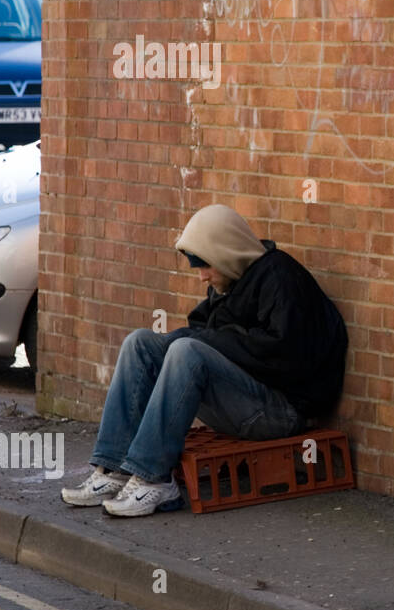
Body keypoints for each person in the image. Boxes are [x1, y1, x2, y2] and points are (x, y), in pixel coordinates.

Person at [61, 203, 348, 517]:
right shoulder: (233, 279)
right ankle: (114, 471)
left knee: (188, 351)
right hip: (246, 398)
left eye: (205, 266)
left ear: (225, 253)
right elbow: (205, 330)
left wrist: (206, 342)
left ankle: (155, 481)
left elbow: (284, 355)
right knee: (140, 343)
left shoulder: (281, 279)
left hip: (282, 411)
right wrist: (199, 339)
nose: (201, 277)